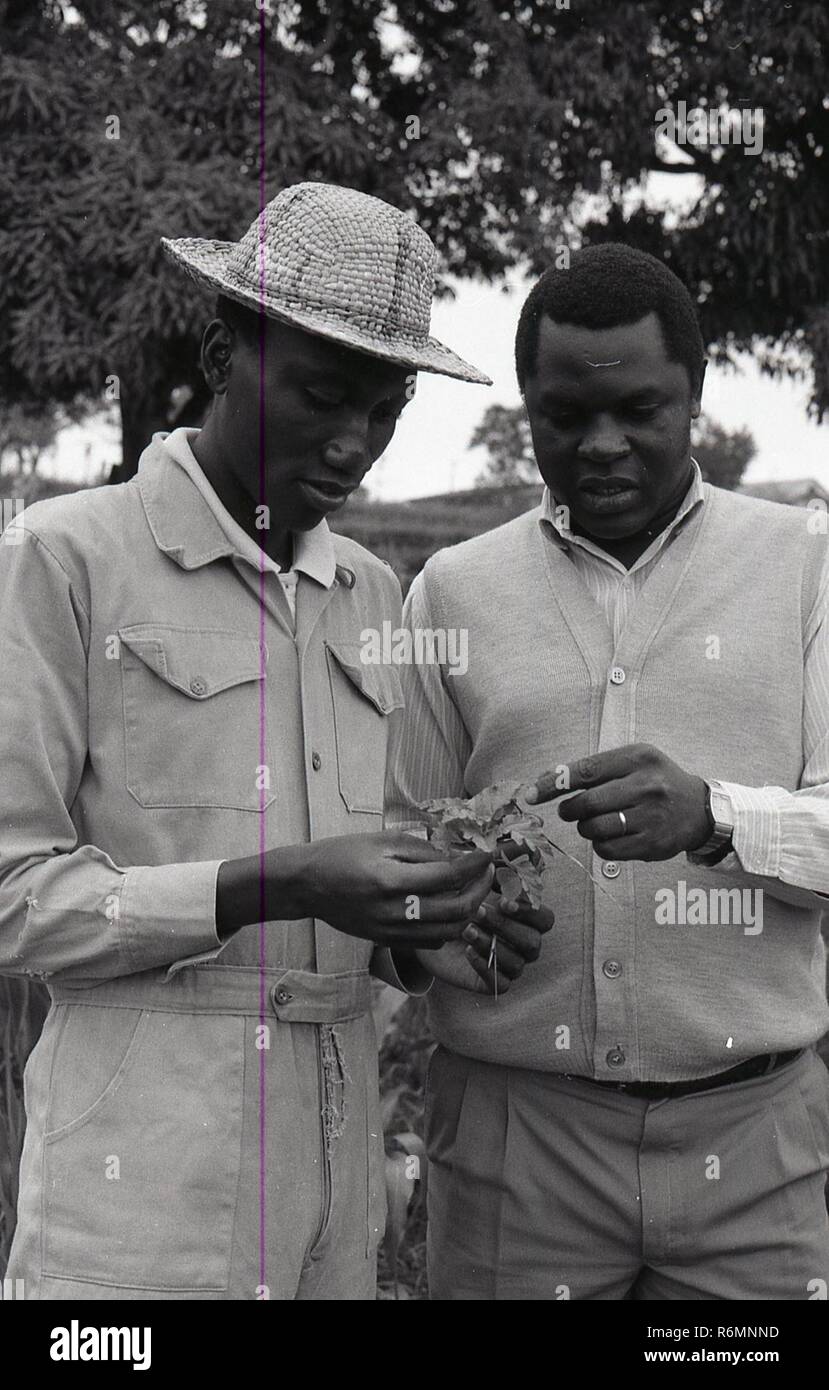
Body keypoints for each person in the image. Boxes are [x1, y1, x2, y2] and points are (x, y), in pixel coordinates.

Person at [0, 181, 502, 1301]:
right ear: (228, 351)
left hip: (328, 1200)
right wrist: (271, 883)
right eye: (323, 395)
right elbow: (11, 893)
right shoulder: (64, 559)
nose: (352, 442)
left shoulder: (372, 590)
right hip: (137, 1212)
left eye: (387, 410)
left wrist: (424, 930)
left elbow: (366, 901)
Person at [389, 243, 829, 1300]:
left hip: (752, 1135)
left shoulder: (807, 566)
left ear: (696, 393)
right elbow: (399, 835)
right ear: (525, 407)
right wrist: (439, 918)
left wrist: (715, 813)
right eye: (561, 417)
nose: (600, 445)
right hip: (512, 1141)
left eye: (639, 409)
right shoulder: (451, 590)